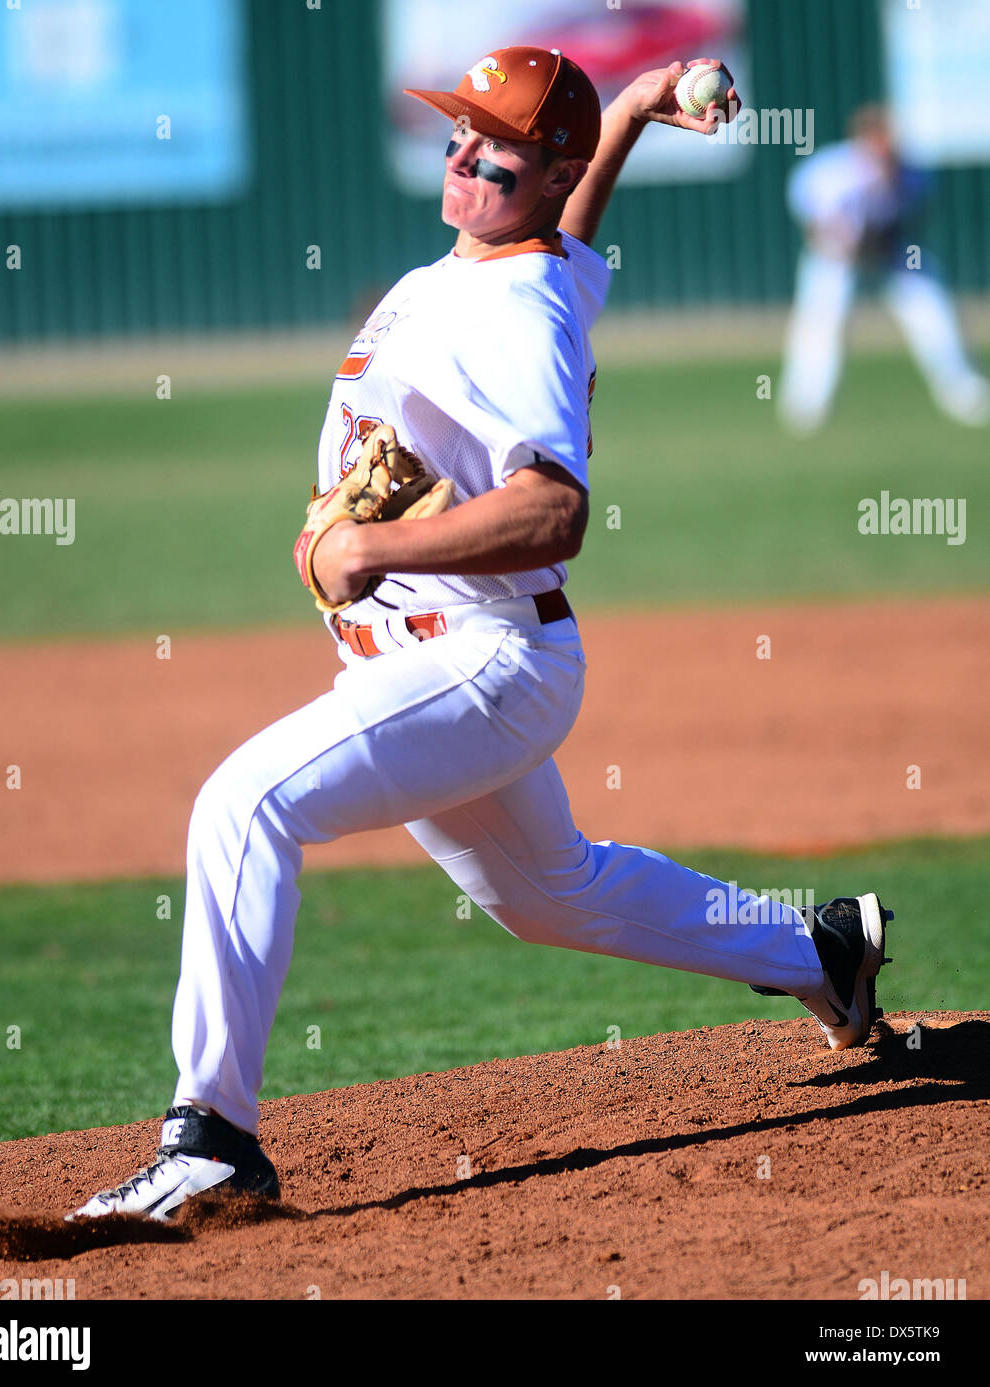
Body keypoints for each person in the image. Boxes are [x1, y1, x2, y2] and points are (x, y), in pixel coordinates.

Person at [73, 48, 891, 1222]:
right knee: (550, 894)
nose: (463, 156)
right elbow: (566, 237)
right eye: (459, 133)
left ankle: (211, 1137)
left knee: (243, 806)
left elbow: (554, 506)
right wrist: (626, 113)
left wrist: (372, 550)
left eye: (494, 153)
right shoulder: (514, 266)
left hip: (485, 659)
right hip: (434, 657)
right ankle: (817, 950)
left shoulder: (515, 312)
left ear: (541, 175)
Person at [779, 103, 990, 433]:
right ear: (861, 139)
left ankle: (963, 391)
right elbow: (815, 224)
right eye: (878, 138)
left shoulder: (914, 173)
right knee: (823, 319)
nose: (885, 146)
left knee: (931, 304)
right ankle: (808, 406)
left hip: (890, 248)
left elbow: (914, 218)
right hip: (836, 253)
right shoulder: (829, 172)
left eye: (890, 139)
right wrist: (841, 240)